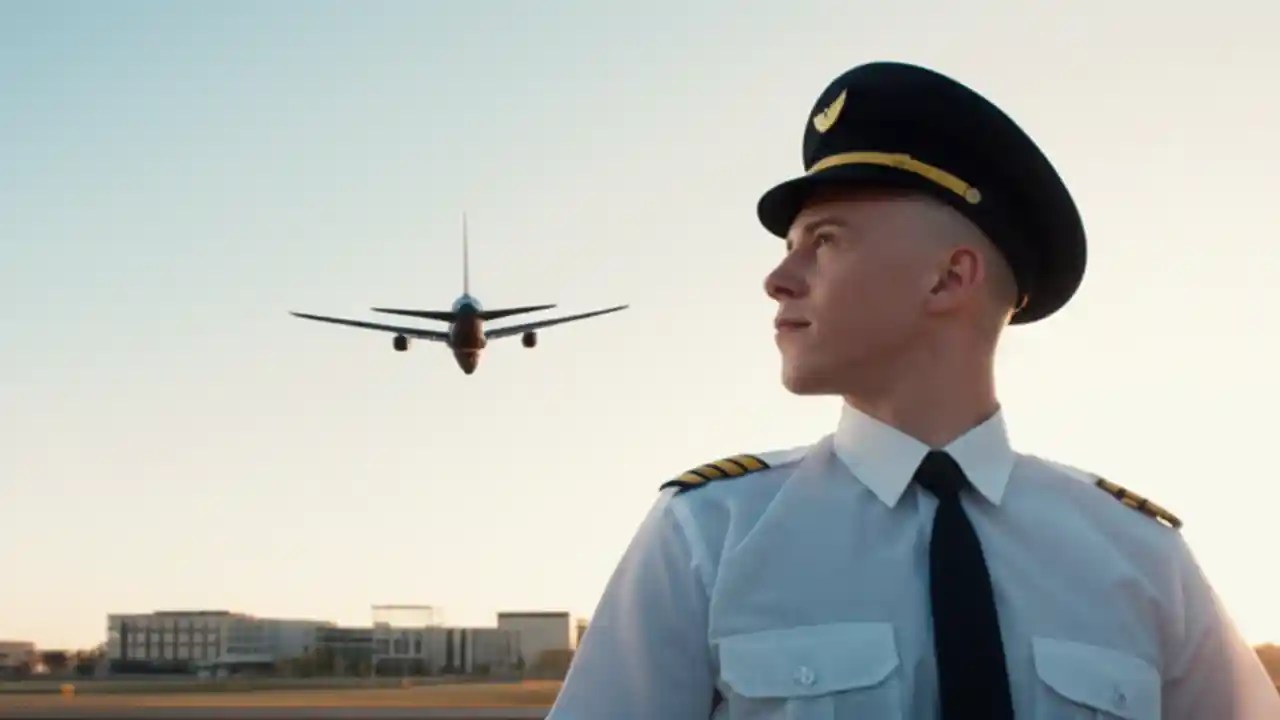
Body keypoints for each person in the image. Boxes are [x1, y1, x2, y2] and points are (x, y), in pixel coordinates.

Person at [546, 61, 1280, 719]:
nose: (778, 278)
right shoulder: (709, 536)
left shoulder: (1141, 558)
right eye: (788, 248)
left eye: (824, 240)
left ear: (949, 277)